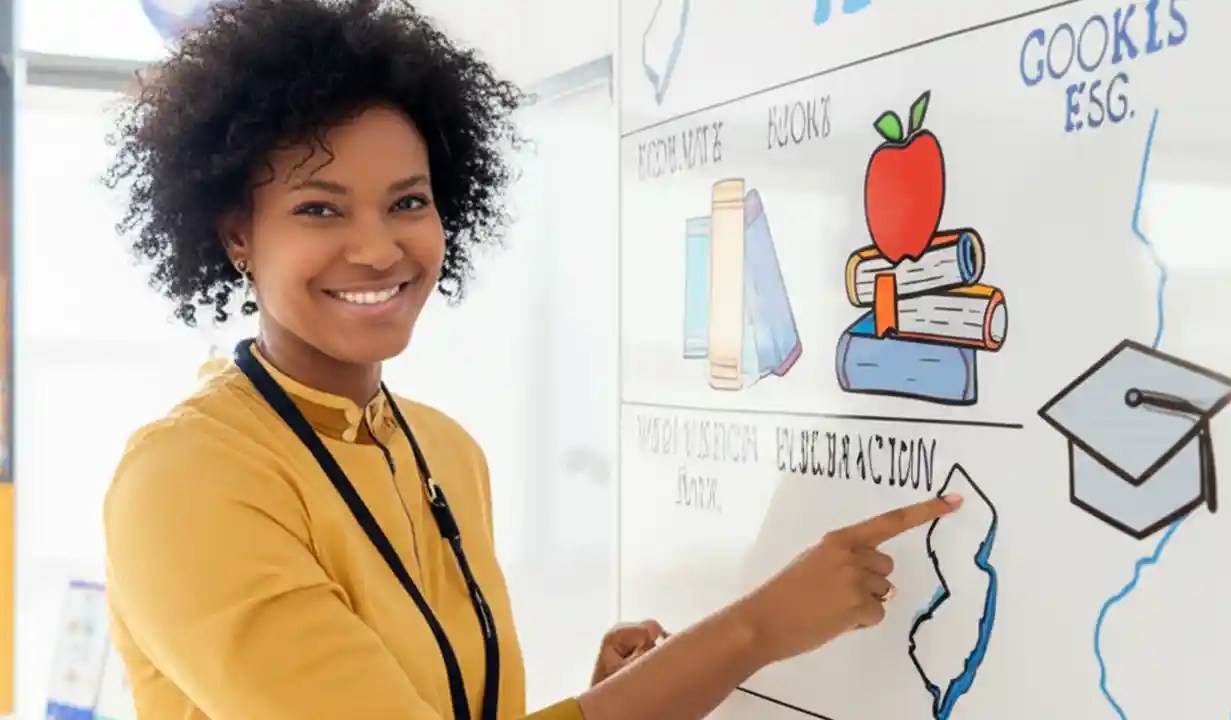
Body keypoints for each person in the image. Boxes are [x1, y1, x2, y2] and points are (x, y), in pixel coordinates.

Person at [101, 1, 963, 718]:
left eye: (408, 201)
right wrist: (756, 630)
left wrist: (610, 698)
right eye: (320, 210)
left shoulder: (444, 451)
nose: (376, 249)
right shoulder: (189, 479)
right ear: (238, 234)